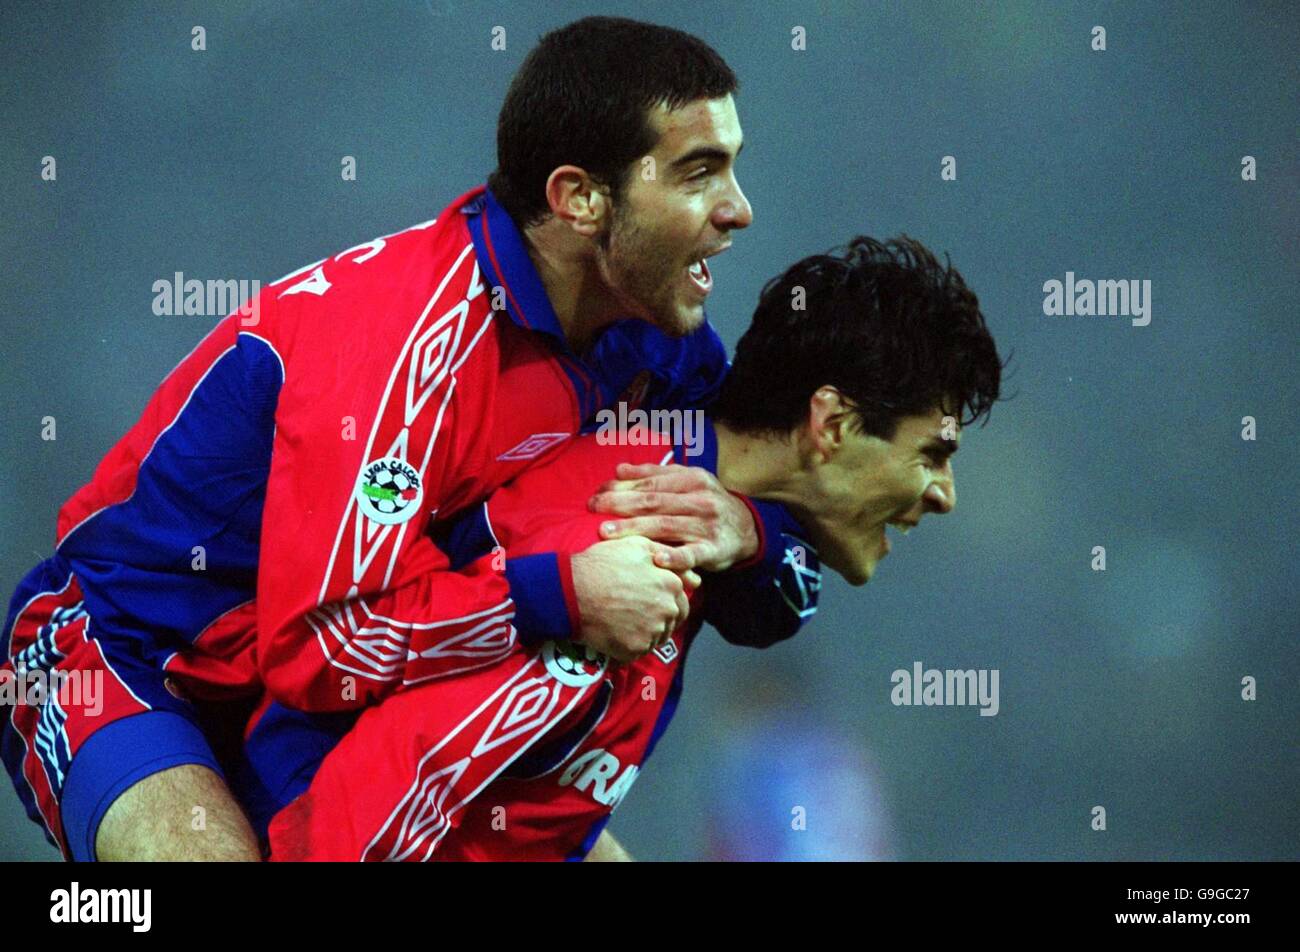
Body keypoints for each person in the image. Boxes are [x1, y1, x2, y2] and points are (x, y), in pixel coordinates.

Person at [0, 17, 814, 862]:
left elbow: (789, 580)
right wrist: (559, 593)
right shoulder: (403, 345)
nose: (739, 210)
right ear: (579, 199)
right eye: (698, 172)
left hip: (324, 710)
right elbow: (320, 643)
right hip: (125, 654)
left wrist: (751, 537)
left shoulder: (663, 349)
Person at [244, 235, 1004, 860]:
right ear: (832, 425)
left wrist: (754, 540)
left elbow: (784, 595)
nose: (943, 494)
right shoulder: (624, 558)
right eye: (931, 456)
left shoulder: (697, 485)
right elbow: (391, 791)